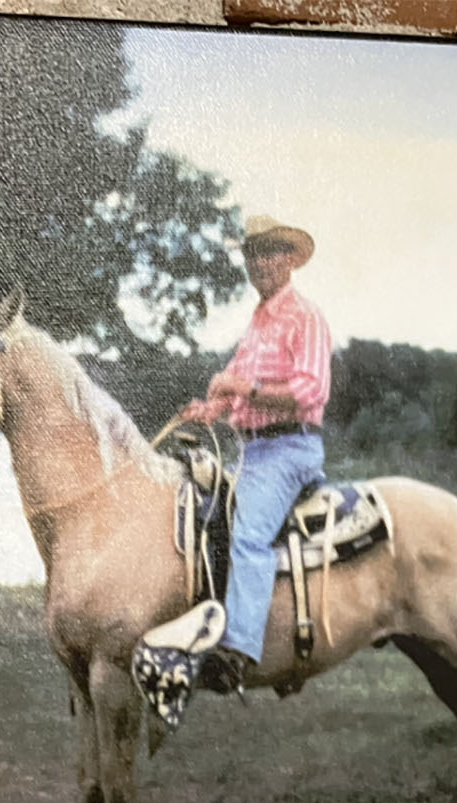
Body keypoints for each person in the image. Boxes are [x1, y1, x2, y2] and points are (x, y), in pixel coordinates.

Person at [180, 215, 332, 692]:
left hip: (289, 447)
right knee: (204, 519)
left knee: (246, 536)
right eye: (253, 254)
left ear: (290, 259)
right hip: (255, 451)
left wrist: (240, 386)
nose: (260, 262)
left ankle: (241, 651)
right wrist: (210, 409)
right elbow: (236, 391)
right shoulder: (259, 321)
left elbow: (310, 388)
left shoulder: (303, 316)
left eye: (271, 252)